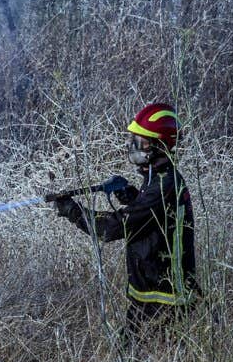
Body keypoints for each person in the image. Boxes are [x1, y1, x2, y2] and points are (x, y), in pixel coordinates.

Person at [52, 104, 200, 332]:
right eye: (133, 139)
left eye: (142, 141)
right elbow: (153, 219)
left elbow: (110, 228)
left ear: (160, 145)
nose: (133, 146)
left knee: (135, 349)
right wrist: (133, 197)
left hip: (166, 300)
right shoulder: (159, 178)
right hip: (153, 295)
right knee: (131, 347)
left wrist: (74, 211)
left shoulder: (162, 186)